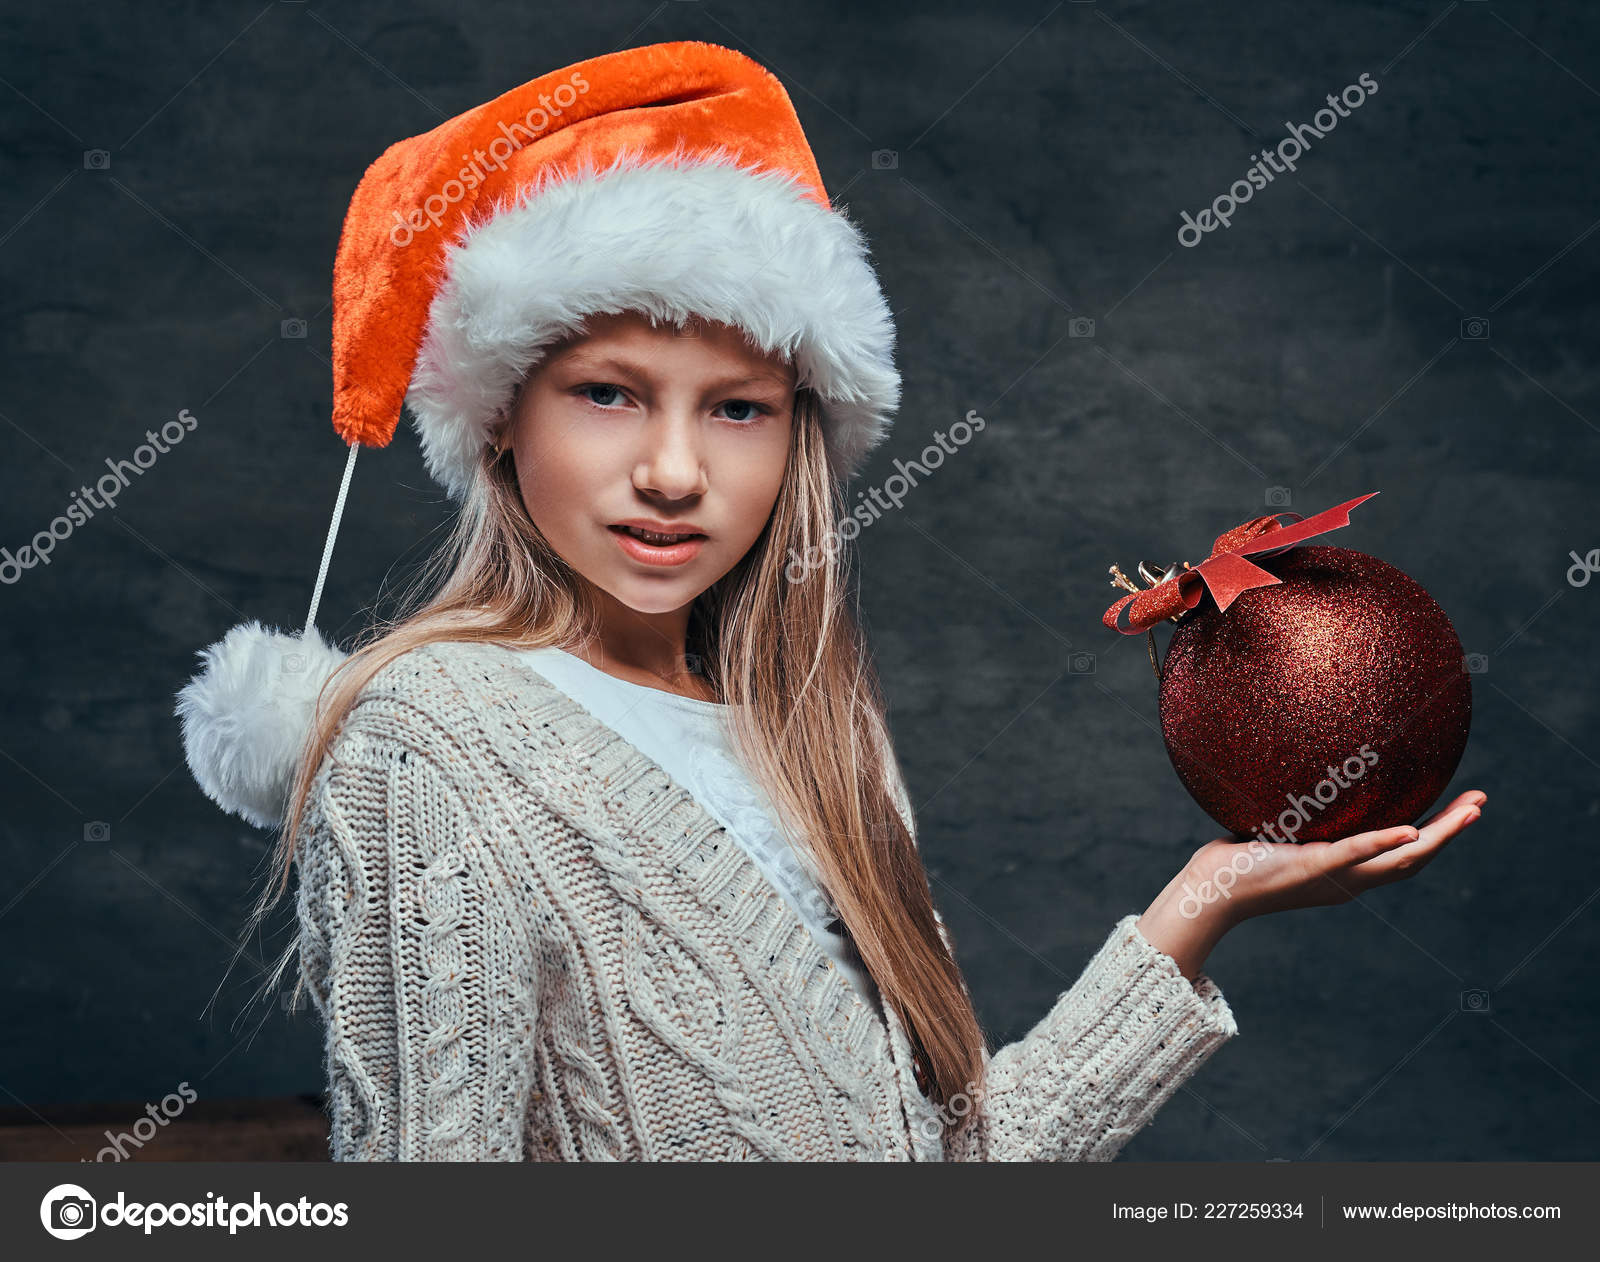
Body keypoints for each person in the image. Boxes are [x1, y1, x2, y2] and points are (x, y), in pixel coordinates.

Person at [174, 40, 1486, 1161]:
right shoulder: (429, 739)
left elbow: (949, 1177)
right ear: (503, 422)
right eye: (609, 392)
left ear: (798, 437)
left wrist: (1204, 901)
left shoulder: (814, 734)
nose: (676, 471)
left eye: (736, 408)